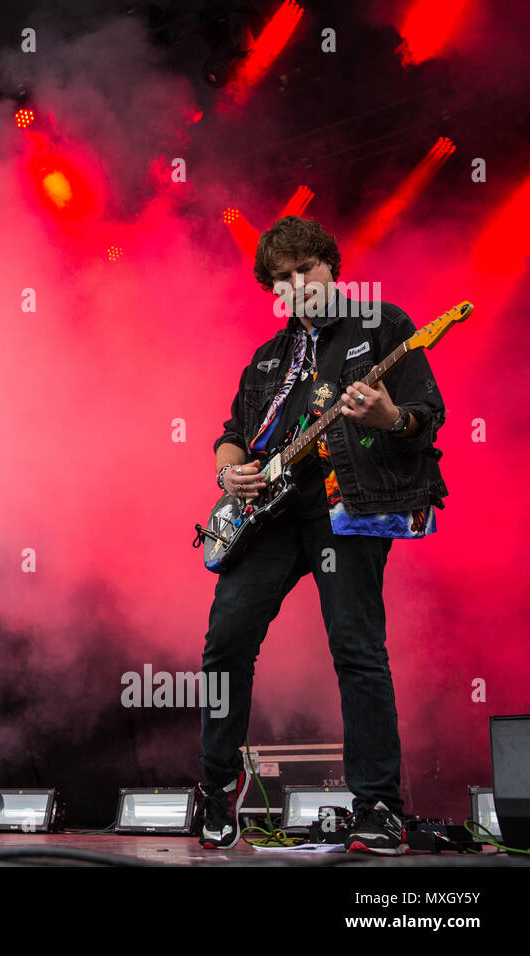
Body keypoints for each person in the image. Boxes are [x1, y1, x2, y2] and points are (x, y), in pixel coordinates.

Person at [197, 216, 447, 854]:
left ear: (333, 266)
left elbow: (426, 414)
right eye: (282, 279)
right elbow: (230, 431)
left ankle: (378, 808)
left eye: (306, 269)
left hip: (348, 505)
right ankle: (216, 786)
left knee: (357, 649)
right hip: (272, 517)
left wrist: (391, 416)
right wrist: (231, 471)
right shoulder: (268, 359)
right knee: (225, 642)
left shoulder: (383, 324)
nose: (297, 285)